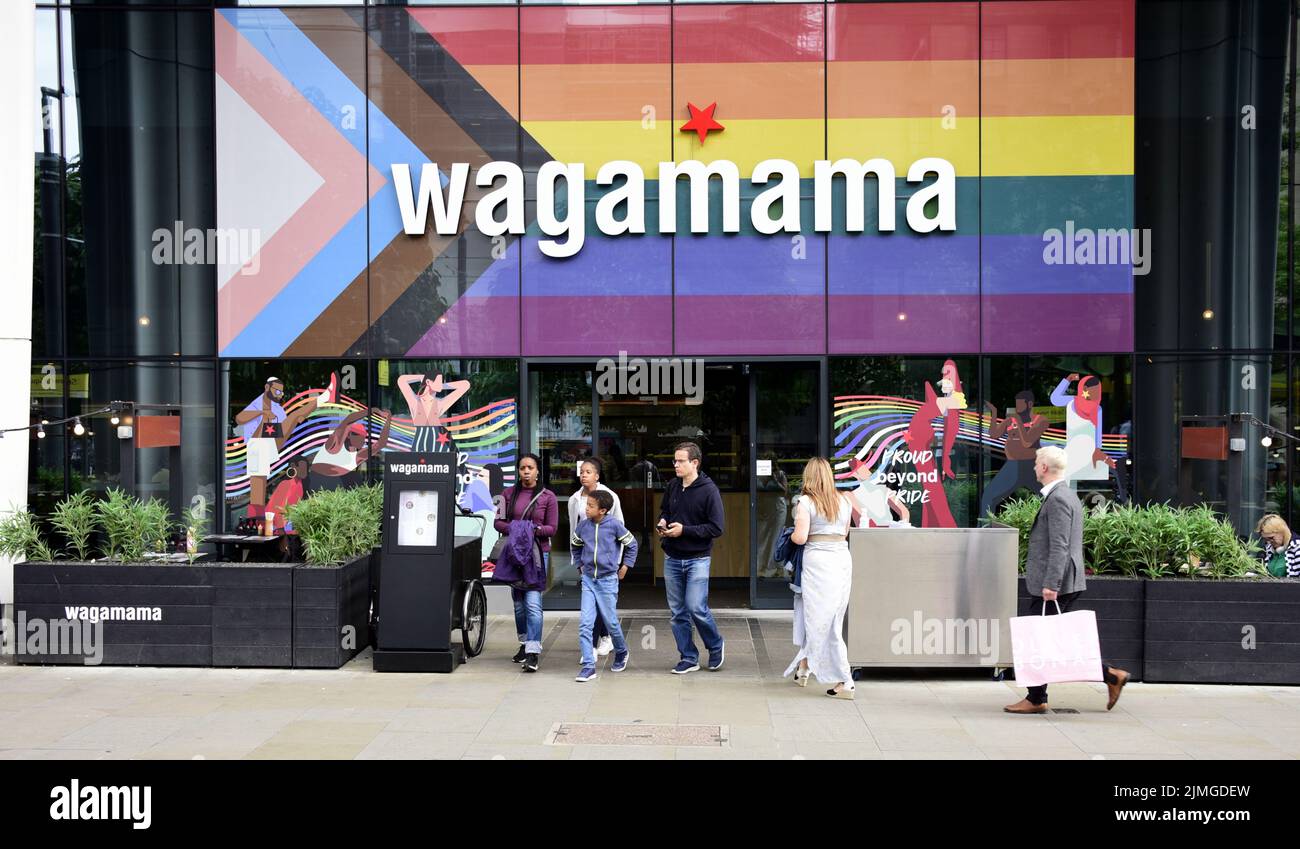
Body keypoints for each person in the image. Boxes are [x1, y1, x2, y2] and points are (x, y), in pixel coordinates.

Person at [1005, 446, 1131, 714]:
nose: (1034, 466)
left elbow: (1060, 546)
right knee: (1043, 639)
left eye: (1037, 462)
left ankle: (1108, 676)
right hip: (1059, 581)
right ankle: (1038, 696)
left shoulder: (1059, 498)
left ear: (1043, 468)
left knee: (1043, 639)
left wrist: (1051, 584)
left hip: (1056, 584)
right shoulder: (1064, 495)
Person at [783, 458, 856, 699]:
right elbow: (844, 533)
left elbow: (801, 537)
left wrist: (789, 535)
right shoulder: (844, 500)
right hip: (841, 560)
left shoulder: (806, 502)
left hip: (818, 563)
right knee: (826, 618)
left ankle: (845, 679)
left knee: (821, 622)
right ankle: (805, 666)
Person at [656, 441, 725, 674]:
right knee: (677, 613)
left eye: (680, 461)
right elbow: (665, 509)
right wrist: (663, 522)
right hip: (673, 556)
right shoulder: (673, 486)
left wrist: (684, 530)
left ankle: (715, 645)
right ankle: (688, 657)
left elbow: (716, 528)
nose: (675, 464)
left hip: (698, 558)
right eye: (674, 460)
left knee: (696, 607)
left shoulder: (709, 490)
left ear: (694, 462)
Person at [235, 373, 336, 515]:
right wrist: (262, 413)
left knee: (294, 417)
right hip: (256, 443)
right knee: (258, 482)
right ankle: (256, 519)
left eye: (281, 392)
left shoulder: (277, 408)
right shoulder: (258, 403)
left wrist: (296, 419)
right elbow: (239, 419)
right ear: (267, 388)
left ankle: (322, 400)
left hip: (269, 440)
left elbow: (285, 427)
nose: (280, 395)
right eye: (277, 391)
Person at [494, 453, 558, 673]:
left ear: (538, 470)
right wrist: (516, 528)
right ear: (518, 471)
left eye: (530, 467)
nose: (527, 471)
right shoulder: (506, 494)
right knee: (519, 606)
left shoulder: (547, 496)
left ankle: (533, 652)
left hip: (538, 554)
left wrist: (531, 529)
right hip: (514, 554)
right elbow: (497, 522)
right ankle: (524, 643)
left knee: (532, 603)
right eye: (523, 468)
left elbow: (552, 528)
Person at [570, 489, 636, 682]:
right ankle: (589, 666)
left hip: (608, 580)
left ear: (603, 510)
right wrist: (580, 564)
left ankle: (622, 652)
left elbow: (632, 544)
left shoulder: (615, 526)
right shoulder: (583, 526)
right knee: (585, 624)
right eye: (586, 504)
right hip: (589, 580)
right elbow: (575, 545)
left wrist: (625, 565)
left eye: (590, 506)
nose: (586, 508)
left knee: (611, 622)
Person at [567, 457, 624, 660]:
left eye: (588, 472)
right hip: (587, 559)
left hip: (607, 561)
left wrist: (619, 561)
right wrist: (578, 561)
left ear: (597, 475)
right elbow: (575, 529)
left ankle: (605, 637)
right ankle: (592, 645)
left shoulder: (610, 497)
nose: (584, 475)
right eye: (581, 472)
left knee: (603, 604)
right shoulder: (575, 499)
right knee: (590, 606)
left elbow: (619, 529)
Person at [904, 360, 965, 528]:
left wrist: (946, 457)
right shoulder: (948, 398)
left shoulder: (956, 399)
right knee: (931, 487)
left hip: (920, 441)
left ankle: (941, 526)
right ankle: (937, 526)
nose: (945, 377)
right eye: (944, 373)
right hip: (918, 440)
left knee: (933, 488)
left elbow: (951, 429)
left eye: (949, 373)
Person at [979, 390, 1051, 519]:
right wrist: (994, 413)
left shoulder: (1040, 420)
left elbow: (1027, 442)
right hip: (1013, 465)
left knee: (1049, 496)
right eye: (1016, 405)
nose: (1017, 408)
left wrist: (1018, 422)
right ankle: (985, 529)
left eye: (1020, 405)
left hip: (1032, 465)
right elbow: (993, 434)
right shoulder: (1010, 420)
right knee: (989, 496)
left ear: (1029, 404)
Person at [1050, 373, 1117, 484]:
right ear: (1085, 389)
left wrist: (1097, 450)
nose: (1097, 394)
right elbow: (1055, 399)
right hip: (1073, 449)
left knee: (1082, 479)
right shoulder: (1072, 401)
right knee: (1068, 479)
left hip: (1088, 450)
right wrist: (1068, 380)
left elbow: (1098, 433)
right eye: (1094, 390)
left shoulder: (1097, 408)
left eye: (1098, 390)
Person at [308, 408, 392, 491]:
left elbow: (381, 444)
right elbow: (348, 419)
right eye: (361, 437)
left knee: (354, 478)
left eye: (364, 437)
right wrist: (372, 411)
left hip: (334, 483)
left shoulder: (357, 456)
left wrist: (388, 421)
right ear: (349, 435)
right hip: (318, 480)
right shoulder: (335, 443)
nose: (363, 440)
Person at [398, 372, 470, 453]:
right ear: (428, 382)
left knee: (444, 462)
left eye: (441, 382)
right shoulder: (415, 402)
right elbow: (401, 380)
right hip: (420, 440)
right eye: (438, 381)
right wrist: (421, 377)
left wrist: (441, 386)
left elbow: (465, 385)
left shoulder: (439, 404)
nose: (440, 383)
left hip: (440, 439)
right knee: (419, 463)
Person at [846, 457, 909, 528]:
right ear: (855, 474)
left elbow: (904, 512)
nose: (867, 471)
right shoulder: (852, 495)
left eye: (866, 468)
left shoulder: (884, 490)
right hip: (868, 534)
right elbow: (860, 519)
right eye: (861, 469)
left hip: (888, 532)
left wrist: (903, 529)